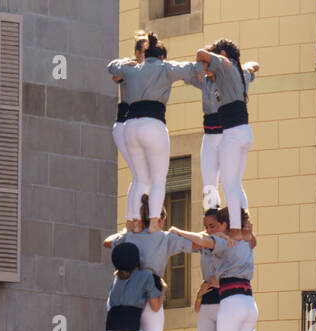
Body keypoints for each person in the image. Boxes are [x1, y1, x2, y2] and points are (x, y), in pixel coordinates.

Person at [107, 33, 200, 229]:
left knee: (141, 177)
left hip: (131, 127)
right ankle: (153, 223)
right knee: (158, 179)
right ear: (161, 57)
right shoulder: (163, 67)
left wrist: (125, 63)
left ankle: (134, 220)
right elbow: (191, 68)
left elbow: (112, 67)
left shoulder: (133, 69)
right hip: (152, 124)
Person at [193, 41, 259, 234]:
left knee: (230, 183)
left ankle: (240, 224)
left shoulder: (228, 69)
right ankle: (213, 218)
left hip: (228, 132)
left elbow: (253, 66)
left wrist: (227, 62)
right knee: (212, 182)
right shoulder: (216, 77)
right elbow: (254, 66)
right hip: (218, 134)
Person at [111, 31, 148, 225]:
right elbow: (115, 76)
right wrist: (127, 64)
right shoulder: (130, 67)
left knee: (140, 174)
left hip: (135, 125)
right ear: (137, 52)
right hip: (125, 124)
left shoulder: (150, 70)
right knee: (141, 174)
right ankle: (133, 219)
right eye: (144, 52)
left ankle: (134, 217)